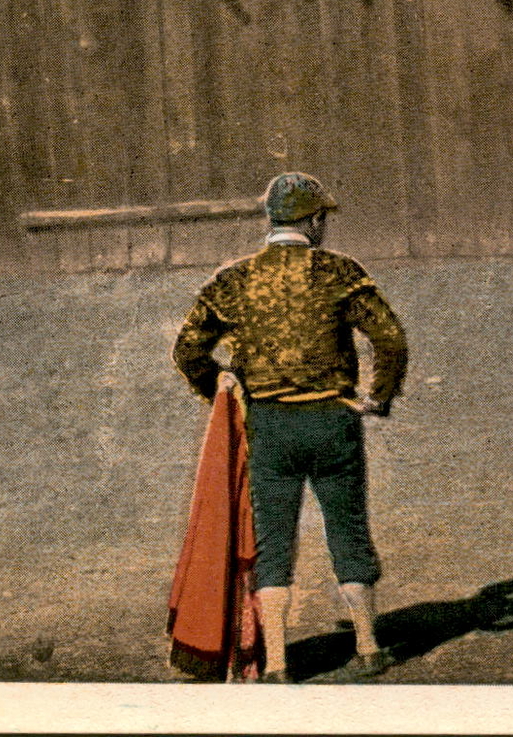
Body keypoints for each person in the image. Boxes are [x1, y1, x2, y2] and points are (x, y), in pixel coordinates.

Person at [173, 172, 409, 682]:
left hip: (270, 425)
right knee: (348, 529)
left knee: (274, 542)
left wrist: (220, 383)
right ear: (315, 220)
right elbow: (389, 338)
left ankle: (278, 663)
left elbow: (188, 349)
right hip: (332, 420)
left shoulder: (233, 280)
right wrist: (377, 397)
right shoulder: (340, 273)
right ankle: (369, 647)